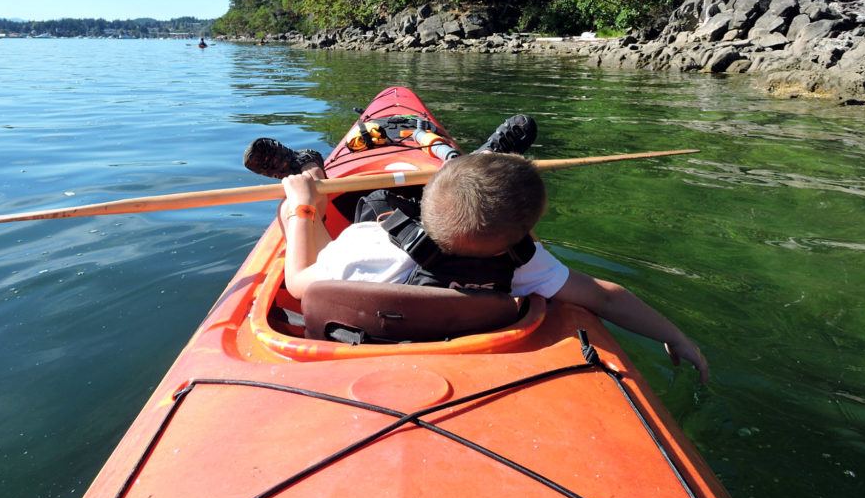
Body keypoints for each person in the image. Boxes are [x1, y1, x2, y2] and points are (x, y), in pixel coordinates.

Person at [245, 117, 709, 382]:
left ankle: (308, 173)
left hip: (357, 314)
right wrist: (676, 334)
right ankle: (476, 159)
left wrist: (303, 209)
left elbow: (300, 282)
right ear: (525, 235)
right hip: (463, 336)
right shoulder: (527, 266)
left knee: (358, 202)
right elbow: (609, 297)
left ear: (423, 200)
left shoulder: (365, 241)